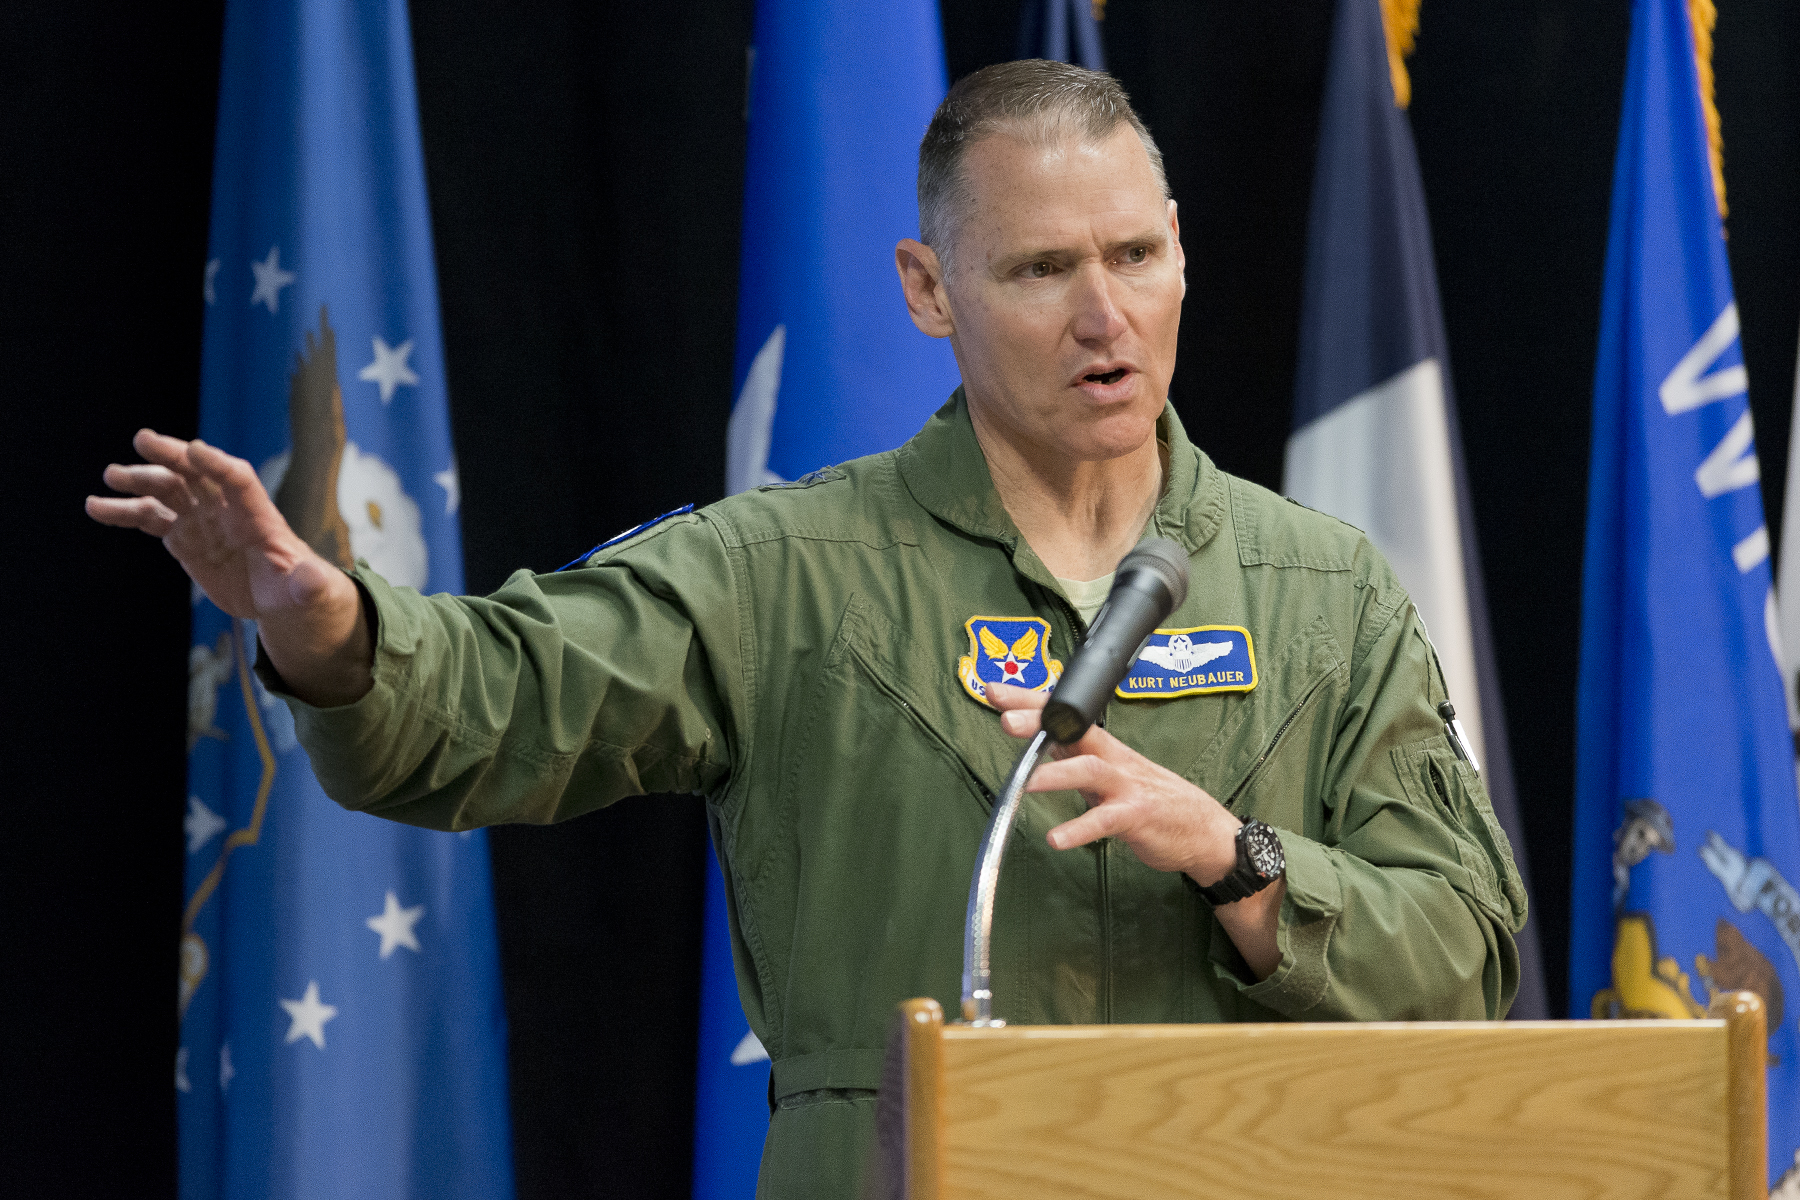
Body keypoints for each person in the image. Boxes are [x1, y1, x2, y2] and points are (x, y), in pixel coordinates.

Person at [90, 61, 1524, 1199]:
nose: (1108, 316)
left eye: (1136, 254)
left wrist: (1238, 858)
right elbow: (494, 702)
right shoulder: (793, 571)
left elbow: (1463, 956)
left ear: (1183, 259)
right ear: (925, 288)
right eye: (1039, 271)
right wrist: (332, 623)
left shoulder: (1323, 586)